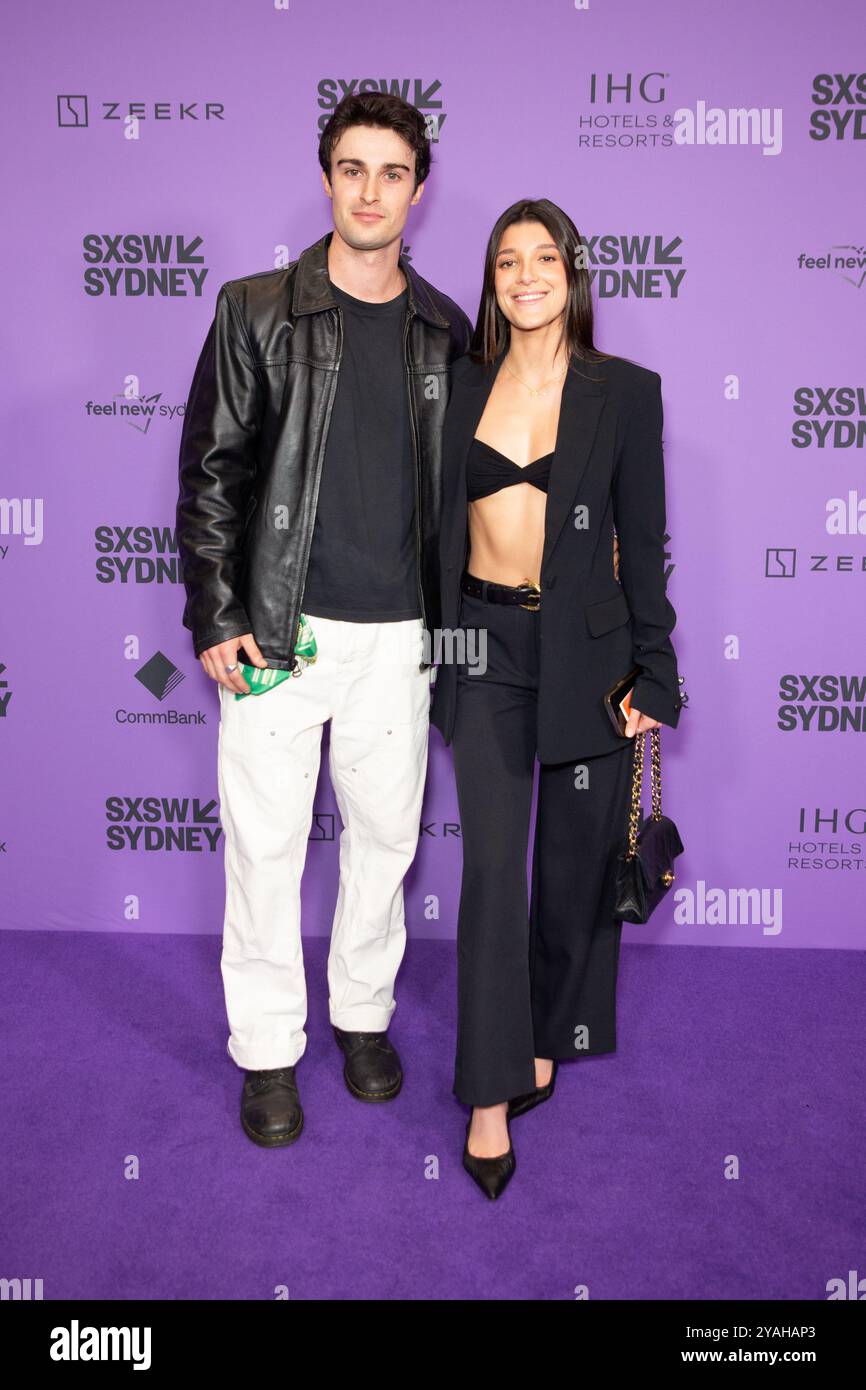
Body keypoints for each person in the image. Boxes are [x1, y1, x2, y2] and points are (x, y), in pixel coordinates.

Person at [176, 92, 472, 1147]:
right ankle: (265, 1052)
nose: (370, 191)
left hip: (399, 638)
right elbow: (211, 470)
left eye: (391, 173)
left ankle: (361, 1018)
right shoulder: (254, 308)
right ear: (325, 177)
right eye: (352, 169)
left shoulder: (445, 327)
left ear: (416, 190)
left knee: (386, 842)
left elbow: (469, 493)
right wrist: (216, 612)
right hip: (275, 633)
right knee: (263, 849)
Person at [430, 198, 683, 1199]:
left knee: (572, 867)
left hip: (587, 652)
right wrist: (437, 657)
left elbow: (645, 539)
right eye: (505, 261)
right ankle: (489, 1094)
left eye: (543, 258)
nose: (524, 275)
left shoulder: (623, 393)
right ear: (490, 280)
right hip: (480, 645)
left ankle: (547, 1031)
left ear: (572, 275)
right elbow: (431, 544)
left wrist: (654, 673)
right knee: (493, 868)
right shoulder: (456, 388)